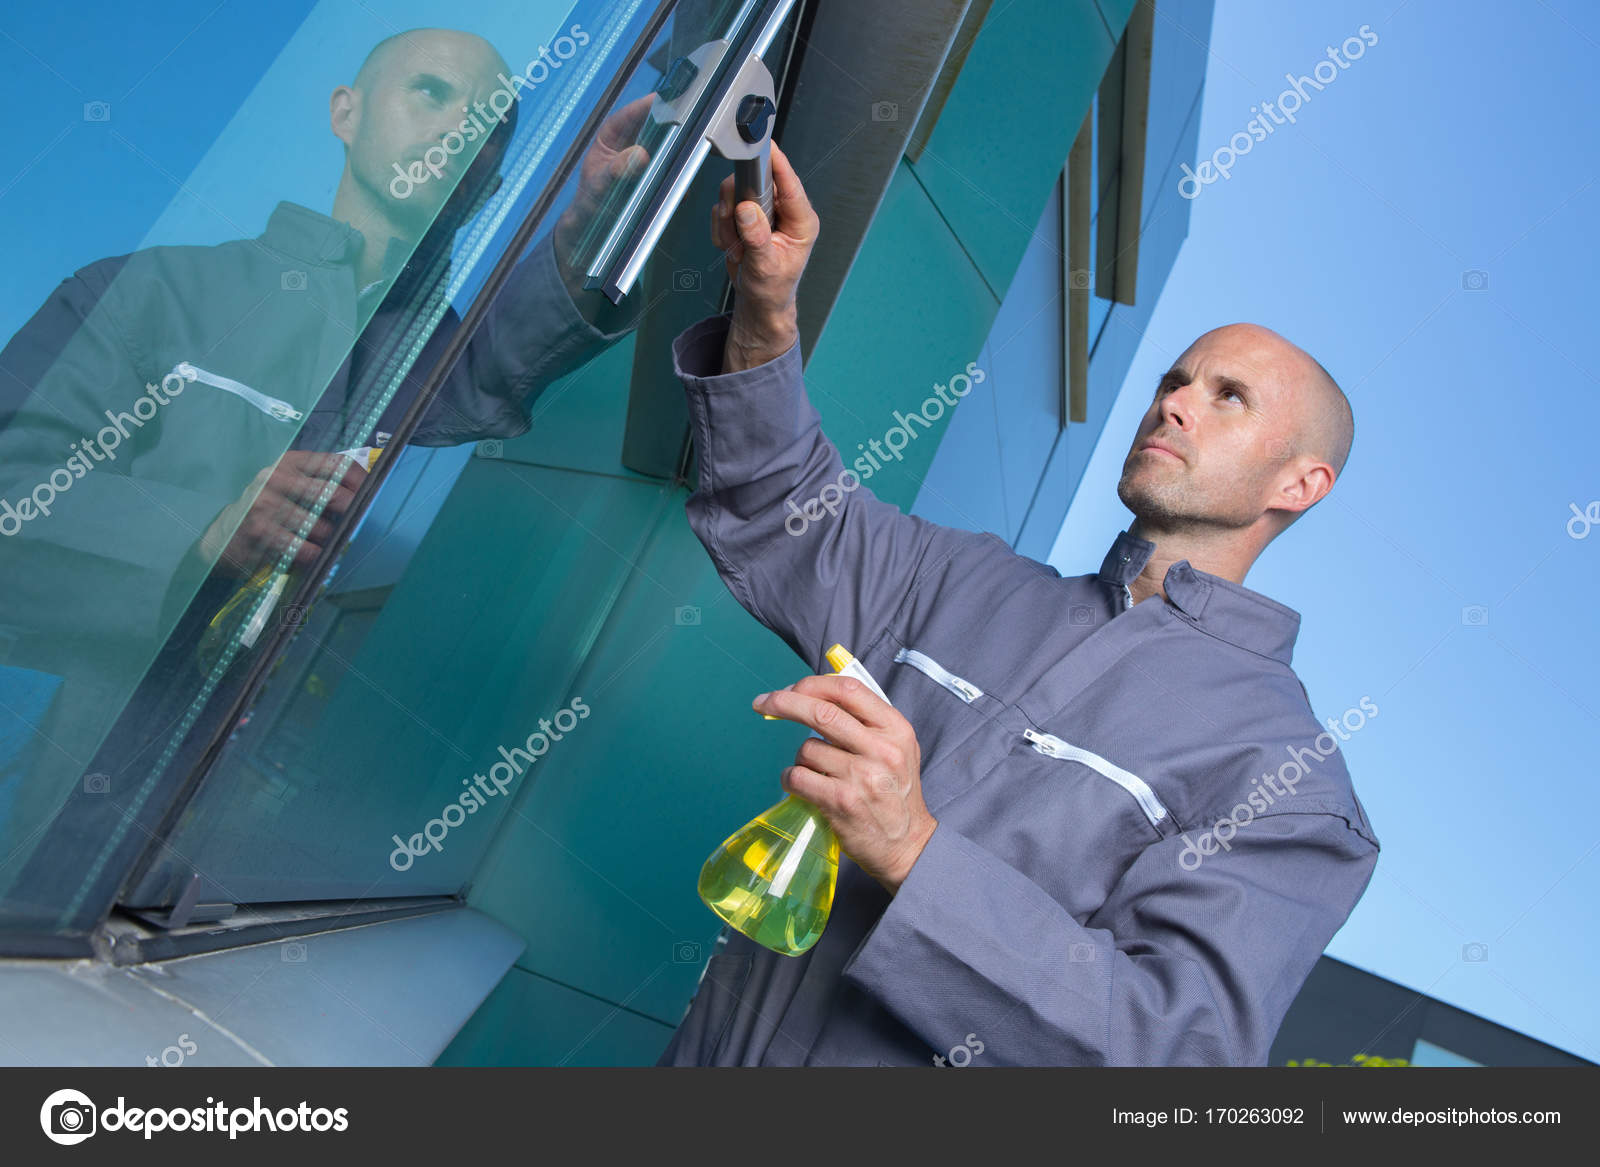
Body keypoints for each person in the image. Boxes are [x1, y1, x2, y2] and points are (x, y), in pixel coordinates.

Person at [656, 144, 1380, 1066]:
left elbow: (1167, 1057)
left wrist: (912, 850)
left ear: (1302, 482)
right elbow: (776, 507)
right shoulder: (961, 580)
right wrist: (764, 313)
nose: (1175, 407)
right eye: (1174, 381)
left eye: (1227, 397)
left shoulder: (1286, 785)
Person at [0, 28, 647, 915]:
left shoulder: (438, 375)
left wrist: (584, 233)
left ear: (499, 178)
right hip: (39, 857)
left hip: (249, 909)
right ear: (344, 112)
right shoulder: (147, 294)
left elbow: (504, 359)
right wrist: (201, 531)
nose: (463, 127)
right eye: (430, 91)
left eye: (492, 121)